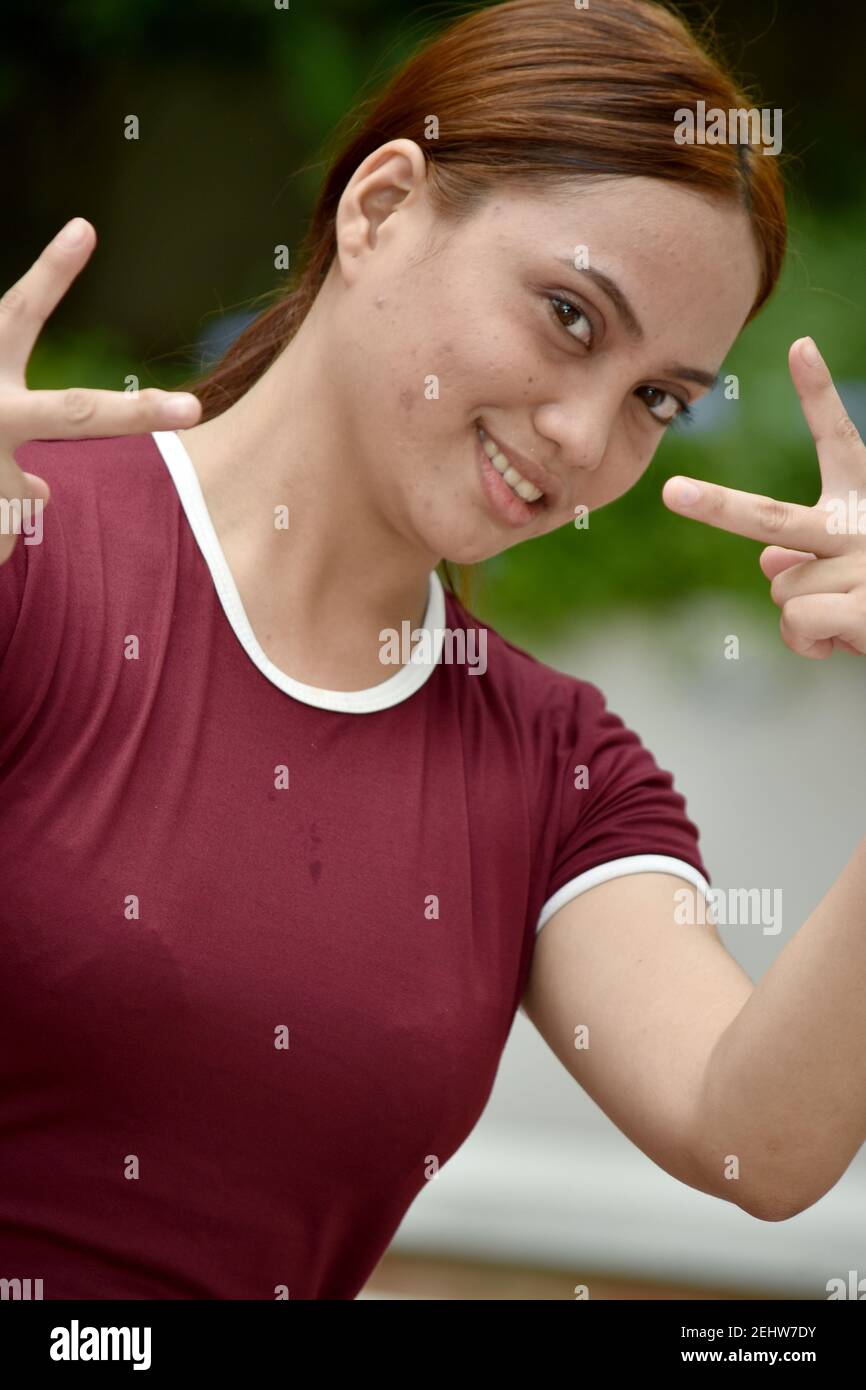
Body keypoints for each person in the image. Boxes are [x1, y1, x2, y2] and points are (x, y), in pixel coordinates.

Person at [1, 0, 863, 1302]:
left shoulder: (553, 765)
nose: (585, 436)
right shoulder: (32, 546)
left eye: (656, 399)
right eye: (569, 316)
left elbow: (752, 1133)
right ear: (380, 207)